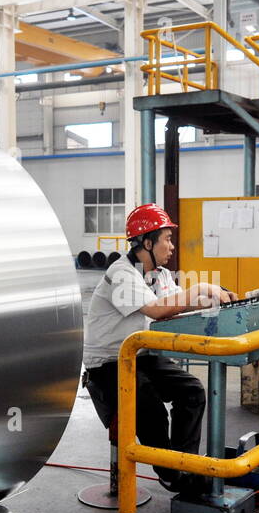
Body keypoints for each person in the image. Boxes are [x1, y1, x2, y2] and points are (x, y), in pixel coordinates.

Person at [82, 203, 237, 496]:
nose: (171, 246)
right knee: (149, 404)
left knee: (192, 391)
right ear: (147, 242)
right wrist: (202, 285)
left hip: (140, 357)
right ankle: (171, 474)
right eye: (167, 238)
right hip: (107, 366)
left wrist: (220, 299)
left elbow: (177, 306)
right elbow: (157, 310)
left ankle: (184, 463)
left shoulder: (160, 275)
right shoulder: (122, 274)